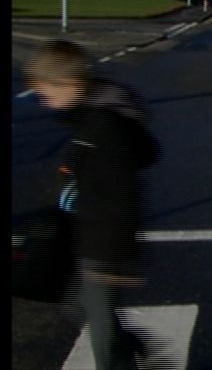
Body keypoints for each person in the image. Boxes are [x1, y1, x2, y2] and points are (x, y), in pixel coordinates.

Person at [23, 40, 159, 370]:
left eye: (47, 94)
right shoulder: (86, 118)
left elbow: (123, 195)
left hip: (106, 245)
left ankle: (120, 353)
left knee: (101, 336)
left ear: (70, 85)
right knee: (74, 307)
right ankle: (127, 343)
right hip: (87, 235)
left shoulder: (104, 127)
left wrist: (115, 260)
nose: (44, 102)